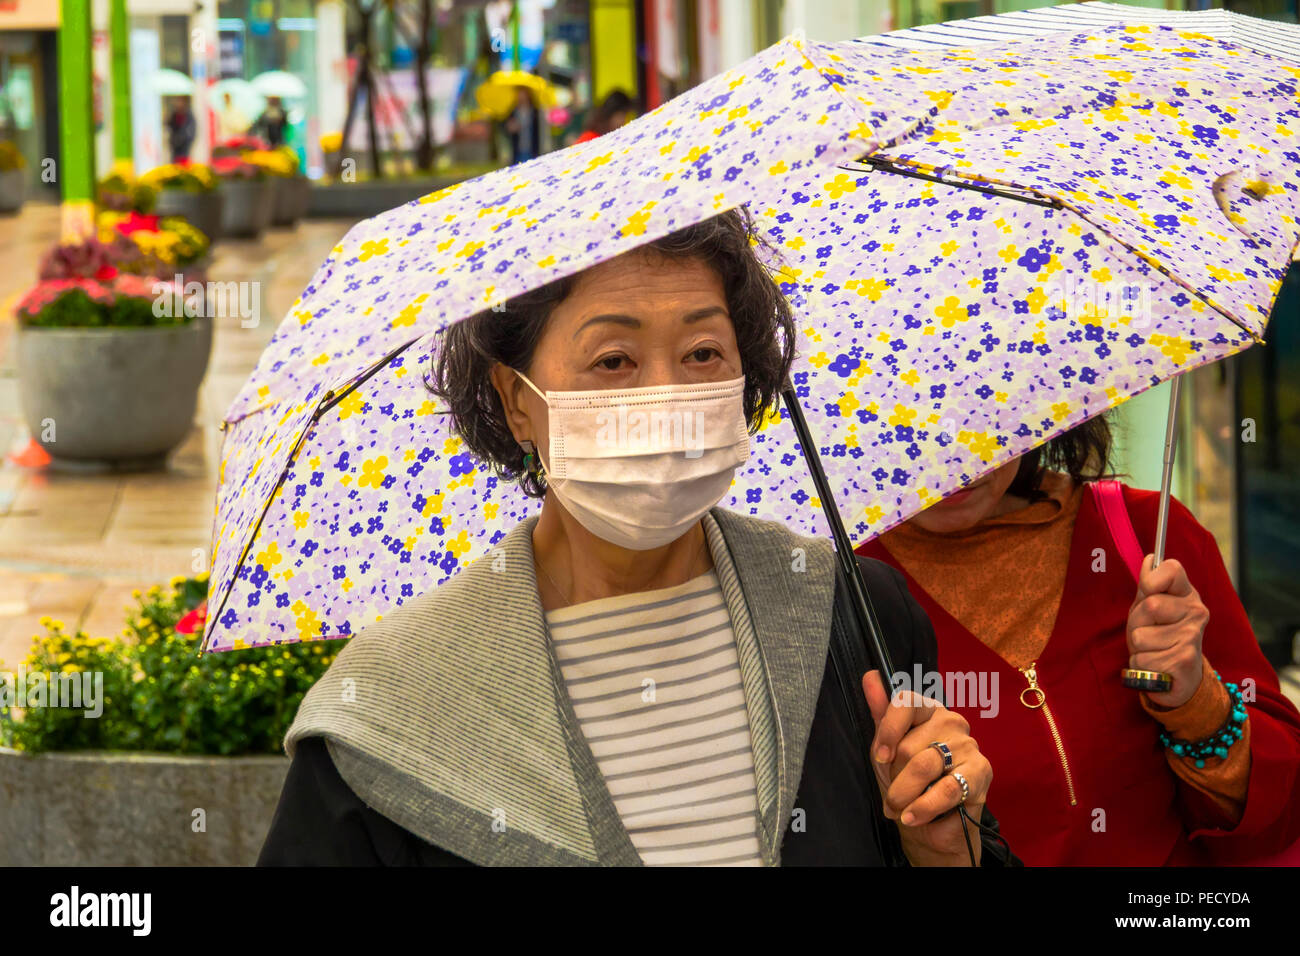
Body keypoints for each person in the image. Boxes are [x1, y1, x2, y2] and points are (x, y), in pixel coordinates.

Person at [258, 209, 1013, 867]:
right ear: (517, 403)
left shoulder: (855, 617)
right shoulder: (394, 704)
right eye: (614, 361)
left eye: (703, 354)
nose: (669, 397)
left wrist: (944, 852)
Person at [855, 418, 1300, 865]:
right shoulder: (840, 589)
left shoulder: (1148, 536)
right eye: (905, 427)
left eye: (974, 417)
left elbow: (1281, 804)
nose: (951, 457)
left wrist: (1199, 703)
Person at [503, 85, 540, 163]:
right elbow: (506, 128)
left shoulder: (536, 111)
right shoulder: (512, 111)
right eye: (519, 94)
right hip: (517, 149)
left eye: (523, 94)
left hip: (532, 148)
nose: (521, 96)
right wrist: (510, 127)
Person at [165, 97, 195, 162]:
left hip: (184, 146)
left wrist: (185, 138)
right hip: (175, 146)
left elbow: (192, 131)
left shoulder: (188, 115)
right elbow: (169, 125)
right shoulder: (174, 114)